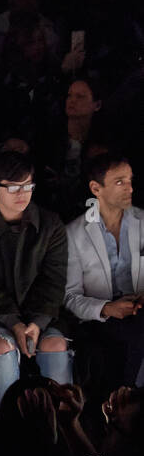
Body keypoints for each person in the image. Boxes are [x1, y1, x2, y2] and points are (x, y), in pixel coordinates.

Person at [0, 150, 72, 415]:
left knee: (55, 345)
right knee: (2, 346)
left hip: (43, 316)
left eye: (27, 186)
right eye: (13, 187)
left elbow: (54, 279)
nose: (22, 194)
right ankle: (4, 423)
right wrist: (14, 323)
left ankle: (65, 420)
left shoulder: (50, 225)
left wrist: (37, 323)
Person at [64, 154, 144, 392]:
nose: (130, 188)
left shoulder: (142, 222)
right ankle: (124, 400)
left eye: (130, 180)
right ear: (95, 188)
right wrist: (107, 308)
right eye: (120, 182)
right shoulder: (74, 233)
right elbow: (70, 296)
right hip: (99, 318)